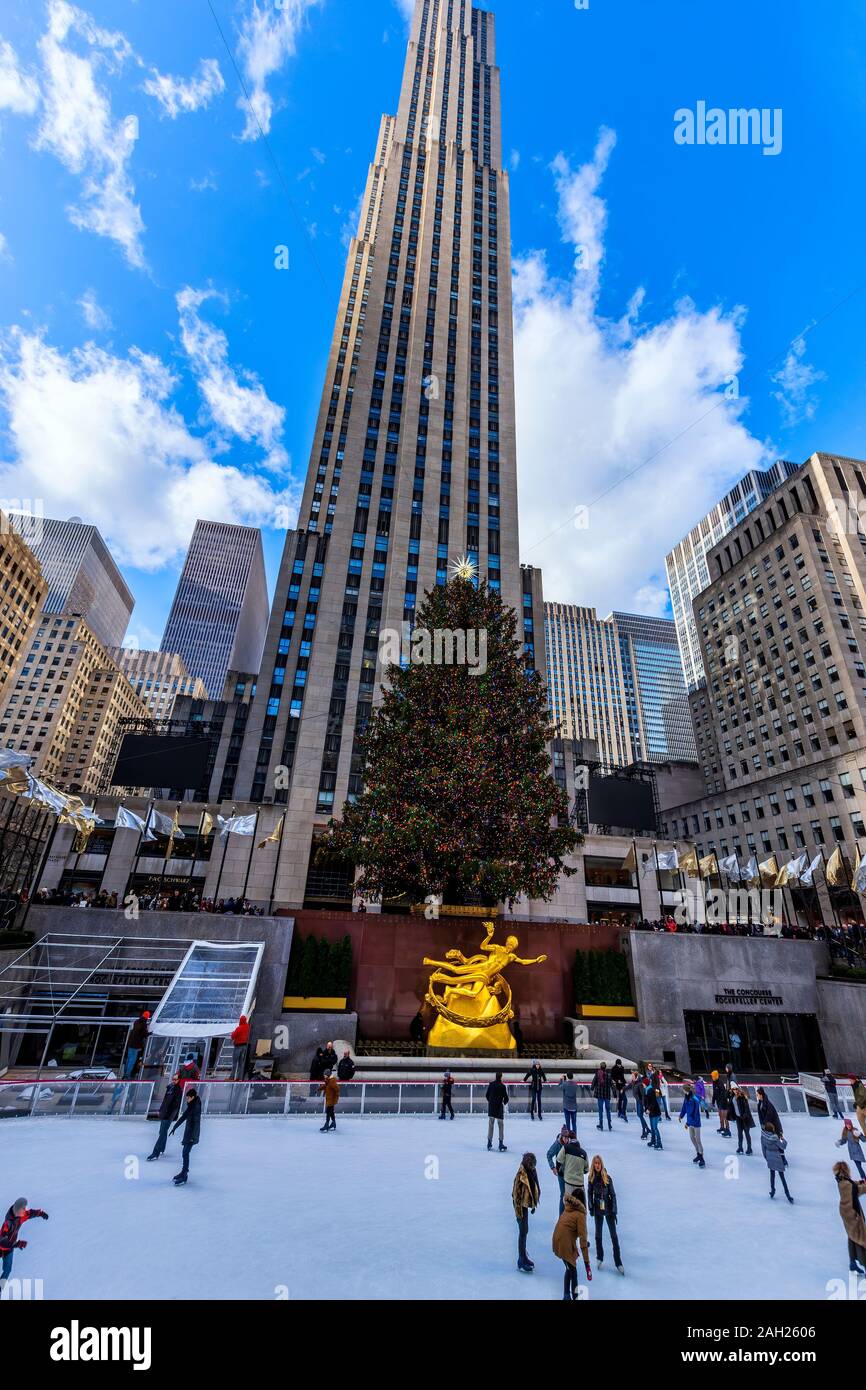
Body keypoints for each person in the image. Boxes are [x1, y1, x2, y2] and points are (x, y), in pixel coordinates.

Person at [587, 1155, 624, 1274]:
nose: (597, 1165)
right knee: (598, 1235)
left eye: (599, 1163)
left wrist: (614, 1211)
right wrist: (591, 1207)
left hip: (608, 1208)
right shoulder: (591, 1178)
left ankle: (618, 1262)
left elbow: (613, 1195)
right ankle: (599, 1257)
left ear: (601, 1164)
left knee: (614, 1236)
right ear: (593, 1165)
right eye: (595, 1163)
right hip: (598, 1209)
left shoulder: (607, 1178)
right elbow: (589, 1193)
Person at [552, 1193, 591, 1301]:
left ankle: (566, 1295)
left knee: (569, 1268)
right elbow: (583, 1241)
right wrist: (587, 1263)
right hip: (564, 1243)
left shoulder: (569, 1207)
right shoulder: (580, 1215)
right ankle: (575, 1297)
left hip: (557, 1240)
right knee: (573, 1272)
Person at [0, 1198, 48, 1285]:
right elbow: (2, 1241)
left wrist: (41, 1213)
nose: (25, 1210)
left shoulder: (21, 1216)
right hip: (2, 1247)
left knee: (7, 1270)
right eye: (23, 1208)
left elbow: (31, 1213)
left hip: (9, 1249)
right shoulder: (7, 1223)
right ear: (18, 1210)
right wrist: (16, 1244)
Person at [833, 1161, 866, 1274]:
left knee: (851, 1235)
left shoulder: (841, 1180)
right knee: (861, 1239)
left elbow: (854, 1184)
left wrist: (862, 1181)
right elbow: (859, 1189)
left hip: (845, 1212)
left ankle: (852, 1262)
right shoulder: (848, 1185)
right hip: (853, 1214)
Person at [512, 1153, 540, 1273]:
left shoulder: (532, 1171)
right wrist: (519, 1213)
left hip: (525, 1204)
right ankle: (521, 1259)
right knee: (523, 1231)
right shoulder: (521, 1175)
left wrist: (533, 1204)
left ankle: (524, 1257)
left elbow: (534, 1188)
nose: (534, 1167)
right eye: (532, 1166)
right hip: (520, 1206)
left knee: (525, 1230)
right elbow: (516, 1195)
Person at [169, 1086, 202, 1185]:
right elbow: (184, 1117)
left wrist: (193, 1137)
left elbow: (194, 1122)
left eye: (188, 1098)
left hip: (192, 1135)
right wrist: (175, 1127)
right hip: (189, 1133)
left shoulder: (195, 1107)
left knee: (185, 1153)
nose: (187, 1099)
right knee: (185, 1153)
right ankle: (183, 1172)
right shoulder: (192, 1104)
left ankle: (184, 1175)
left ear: (192, 1097)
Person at [147, 1073, 183, 1161]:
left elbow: (176, 1105)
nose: (173, 1081)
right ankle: (162, 1148)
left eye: (175, 1079)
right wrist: (160, 1110)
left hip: (170, 1114)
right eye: (173, 1079)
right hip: (164, 1112)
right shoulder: (169, 1087)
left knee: (162, 1132)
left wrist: (170, 1113)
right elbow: (165, 1101)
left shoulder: (178, 1090)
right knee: (162, 1131)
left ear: (179, 1080)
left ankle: (155, 1152)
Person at [760, 1123, 793, 1203]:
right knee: (782, 1177)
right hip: (777, 1157)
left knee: (772, 1174)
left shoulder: (763, 1137)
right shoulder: (775, 1138)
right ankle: (788, 1195)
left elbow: (763, 1148)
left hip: (769, 1156)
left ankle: (772, 1191)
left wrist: (766, 1157)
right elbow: (783, 1146)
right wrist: (782, 1139)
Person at [678, 1081, 705, 1168]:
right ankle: (698, 1154)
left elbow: (694, 1113)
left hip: (696, 1122)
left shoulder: (694, 1099)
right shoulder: (686, 1098)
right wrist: (681, 1116)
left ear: (686, 1090)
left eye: (683, 1090)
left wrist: (687, 1123)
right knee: (692, 1138)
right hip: (690, 1122)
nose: (683, 1091)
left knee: (698, 1140)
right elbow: (684, 1108)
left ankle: (702, 1158)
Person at [556, 1132, 589, 1200]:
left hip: (569, 1182)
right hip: (580, 1184)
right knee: (580, 1204)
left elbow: (558, 1160)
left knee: (569, 1204)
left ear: (569, 1139)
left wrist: (561, 1172)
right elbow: (586, 1170)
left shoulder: (566, 1148)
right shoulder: (584, 1153)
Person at [547, 1125, 571, 1215]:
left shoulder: (570, 1143)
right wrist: (553, 1167)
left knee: (571, 1194)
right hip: (561, 1173)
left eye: (568, 1138)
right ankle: (561, 1216)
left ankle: (569, 1214)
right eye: (565, 1138)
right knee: (563, 1194)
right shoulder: (557, 1144)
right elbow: (549, 1154)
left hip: (570, 1172)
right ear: (562, 1136)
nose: (566, 1140)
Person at [486, 1072, 509, 1152]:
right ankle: (500, 1143)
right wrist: (504, 1102)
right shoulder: (502, 1086)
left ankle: (489, 1143)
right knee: (500, 1126)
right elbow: (506, 1098)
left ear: (495, 1076)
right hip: (499, 1108)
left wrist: (491, 1102)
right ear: (501, 1077)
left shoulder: (491, 1084)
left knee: (491, 1125)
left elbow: (487, 1095)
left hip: (492, 1108)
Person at [124, 1010, 150, 1078]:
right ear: (147, 1017)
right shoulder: (144, 1024)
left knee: (128, 1059)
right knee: (132, 1060)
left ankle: (125, 1073)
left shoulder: (136, 1022)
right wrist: (149, 1033)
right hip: (135, 1045)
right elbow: (144, 1034)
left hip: (130, 1043)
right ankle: (127, 1075)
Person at [730, 1087, 755, 1156]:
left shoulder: (742, 1097)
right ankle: (740, 1148)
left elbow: (747, 1108)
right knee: (740, 1133)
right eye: (733, 1089)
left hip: (745, 1118)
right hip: (738, 1118)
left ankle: (749, 1149)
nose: (735, 1090)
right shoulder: (732, 1097)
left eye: (736, 1089)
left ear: (738, 1089)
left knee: (747, 1133)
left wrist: (744, 1116)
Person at [591, 1062, 613, 1132]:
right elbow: (612, 1085)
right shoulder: (608, 1075)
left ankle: (601, 1124)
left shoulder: (598, 1074)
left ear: (600, 1067)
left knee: (600, 1110)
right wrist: (615, 1093)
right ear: (605, 1067)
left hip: (600, 1095)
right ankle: (609, 1124)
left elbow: (594, 1082)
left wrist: (592, 1088)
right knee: (608, 1110)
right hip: (607, 1095)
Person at [712, 1070, 732, 1137]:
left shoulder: (720, 1082)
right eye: (712, 1076)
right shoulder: (714, 1083)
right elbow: (714, 1092)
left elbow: (723, 1093)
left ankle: (728, 1130)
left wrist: (722, 1102)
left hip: (723, 1102)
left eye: (713, 1076)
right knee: (720, 1116)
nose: (712, 1077)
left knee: (725, 1116)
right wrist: (713, 1101)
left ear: (716, 1076)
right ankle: (722, 1127)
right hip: (718, 1102)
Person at [230, 1014, 250, 1079]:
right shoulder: (247, 1027)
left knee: (234, 1062)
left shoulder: (239, 1028)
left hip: (238, 1047)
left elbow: (233, 1036)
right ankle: (239, 1077)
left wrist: (233, 1032)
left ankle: (232, 1077)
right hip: (244, 1046)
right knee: (241, 1063)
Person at [632, 1070, 650, 1139]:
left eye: (633, 1076)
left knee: (640, 1116)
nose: (632, 1077)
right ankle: (647, 1129)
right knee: (639, 1115)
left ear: (636, 1077)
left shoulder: (640, 1084)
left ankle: (644, 1131)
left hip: (640, 1102)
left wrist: (643, 1104)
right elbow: (630, 1086)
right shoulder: (634, 1082)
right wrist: (623, 1089)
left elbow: (643, 1095)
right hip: (638, 1101)